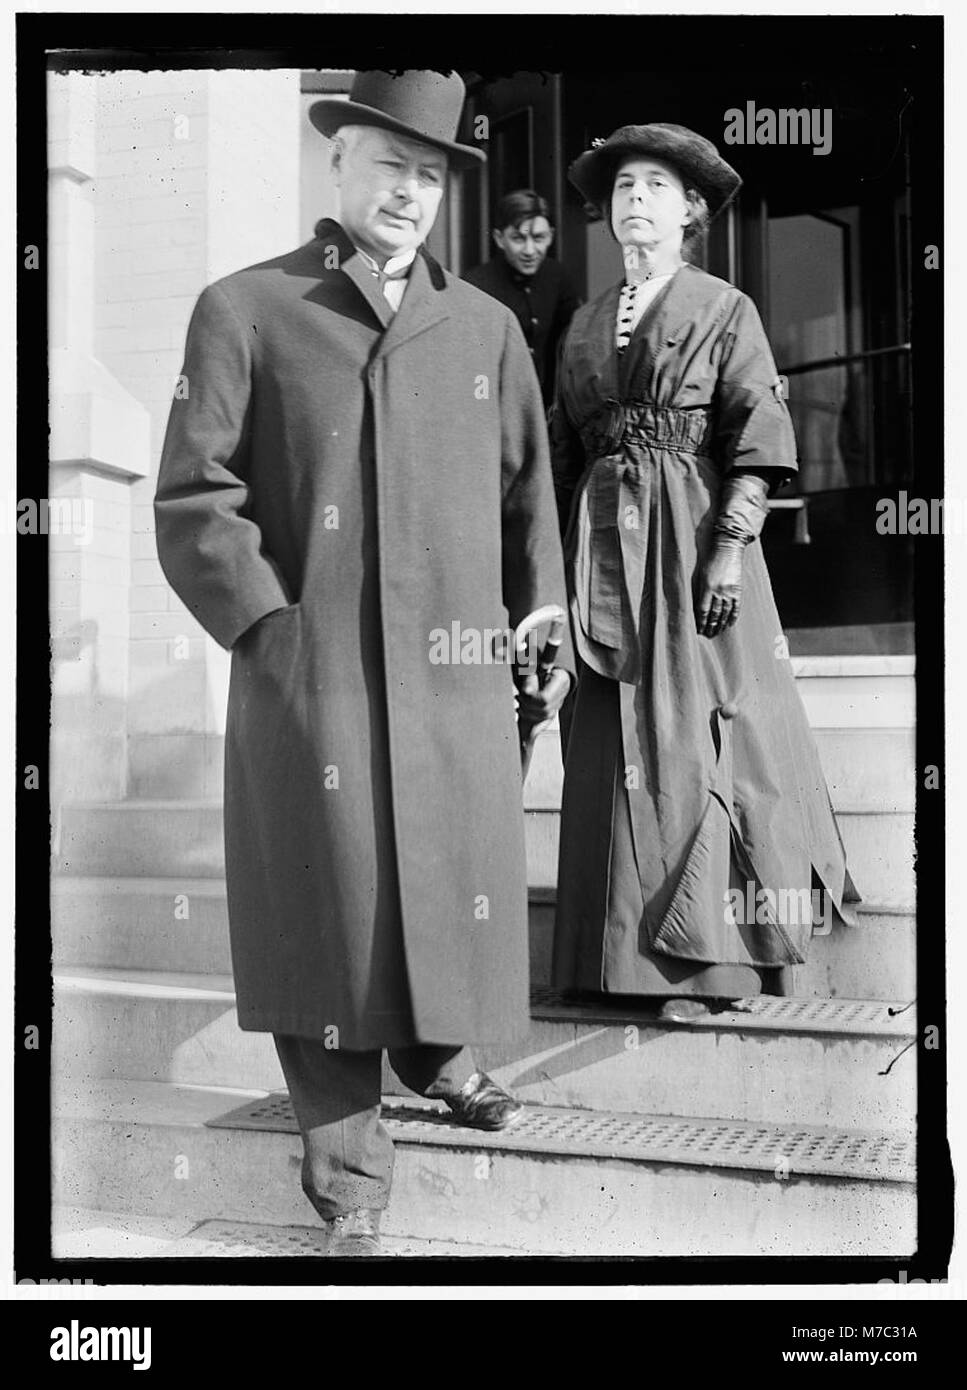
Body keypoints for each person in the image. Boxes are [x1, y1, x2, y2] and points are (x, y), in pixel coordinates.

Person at [154, 70, 571, 1255]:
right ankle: (348, 1176)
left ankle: (443, 1057)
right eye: (390, 165)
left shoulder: (484, 328)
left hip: (451, 666)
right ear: (336, 163)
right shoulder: (246, 308)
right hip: (316, 665)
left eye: (430, 175)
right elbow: (194, 494)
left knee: (441, 869)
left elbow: (530, 495)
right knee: (329, 900)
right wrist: (270, 628)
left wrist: (538, 619)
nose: (408, 192)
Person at [549, 124, 859, 1020]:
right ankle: (606, 965)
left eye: (655, 186)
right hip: (600, 550)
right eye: (622, 187)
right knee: (606, 737)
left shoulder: (726, 309)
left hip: (690, 546)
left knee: (690, 730)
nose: (634, 200)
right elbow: (563, 450)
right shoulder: (581, 324)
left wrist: (727, 547)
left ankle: (706, 969)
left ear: (691, 210)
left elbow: (756, 437)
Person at [464, 190, 580, 407]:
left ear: (551, 236)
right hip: (496, 405)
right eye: (518, 238)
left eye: (538, 238)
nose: (529, 250)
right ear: (499, 239)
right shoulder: (475, 286)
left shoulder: (557, 277)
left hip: (545, 405)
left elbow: (570, 342)